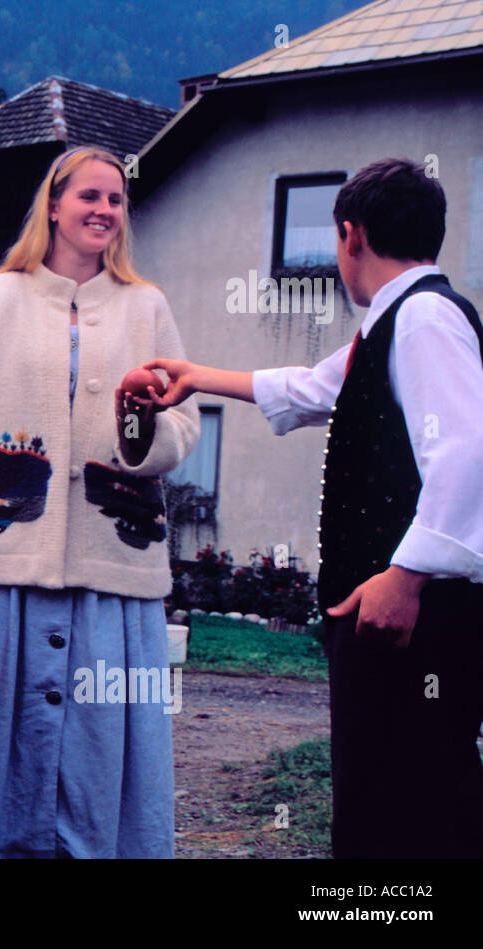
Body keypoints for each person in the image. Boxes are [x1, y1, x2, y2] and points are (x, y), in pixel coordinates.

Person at [147, 157, 483, 858]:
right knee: (378, 799)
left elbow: (466, 452)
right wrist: (195, 376)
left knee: (416, 804)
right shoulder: (394, 323)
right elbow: (310, 388)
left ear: (350, 236)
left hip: (417, 618)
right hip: (385, 618)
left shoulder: (422, 319)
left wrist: (407, 574)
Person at [0, 145, 201, 858]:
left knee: (104, 750)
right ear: (53, 205)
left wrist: (140, 424)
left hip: (116, 572)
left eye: (116, 200)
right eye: (89, 197)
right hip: (16, 567)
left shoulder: (148, 306)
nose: (104, 210)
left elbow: (180, 429)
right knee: (11, 752)